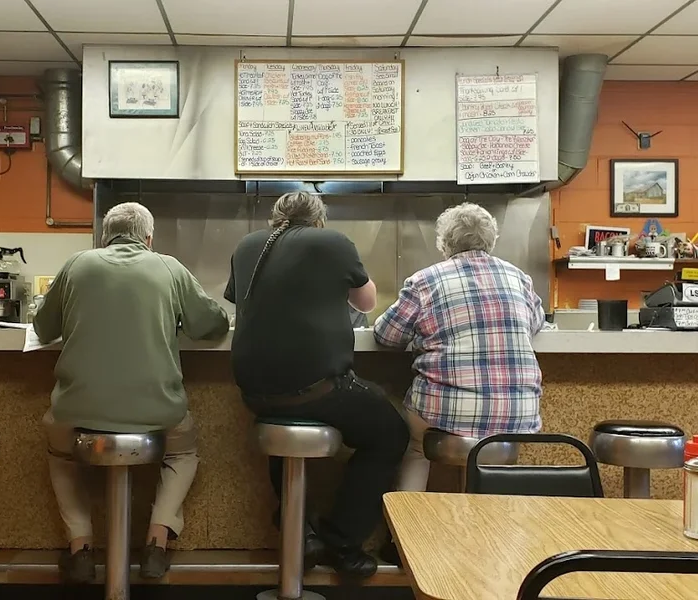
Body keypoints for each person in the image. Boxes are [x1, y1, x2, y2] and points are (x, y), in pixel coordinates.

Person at [33, 202, 229, 583]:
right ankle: (157, 541)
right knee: (183, 451)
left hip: (78, 413)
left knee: (60, 449)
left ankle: (81, 547)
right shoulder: (169, 268)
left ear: (105, 237)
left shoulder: (77, 264)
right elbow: (213, 324)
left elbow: (42, 326)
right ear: (149, 238)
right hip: (159, 414)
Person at [224, 191, 409, 579]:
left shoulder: (247, 244)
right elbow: (367, 302)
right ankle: (342, 540)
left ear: (277, 218)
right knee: (390, 434)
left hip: (256, 393)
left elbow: (236, 299)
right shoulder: (333, 242)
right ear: (318, 219)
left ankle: (300, 530)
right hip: (319, 387)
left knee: (286, 419)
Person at [374, 202, 545, 495]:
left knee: (415, 447)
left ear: (444, 243)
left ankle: (405, 534)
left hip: (446, 410)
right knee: (494, 451)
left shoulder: (425, 280)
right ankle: (492, 537)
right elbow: (536, 322)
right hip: (516, 414)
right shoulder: (519, 277)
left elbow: (386, 335)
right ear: (491, 240)